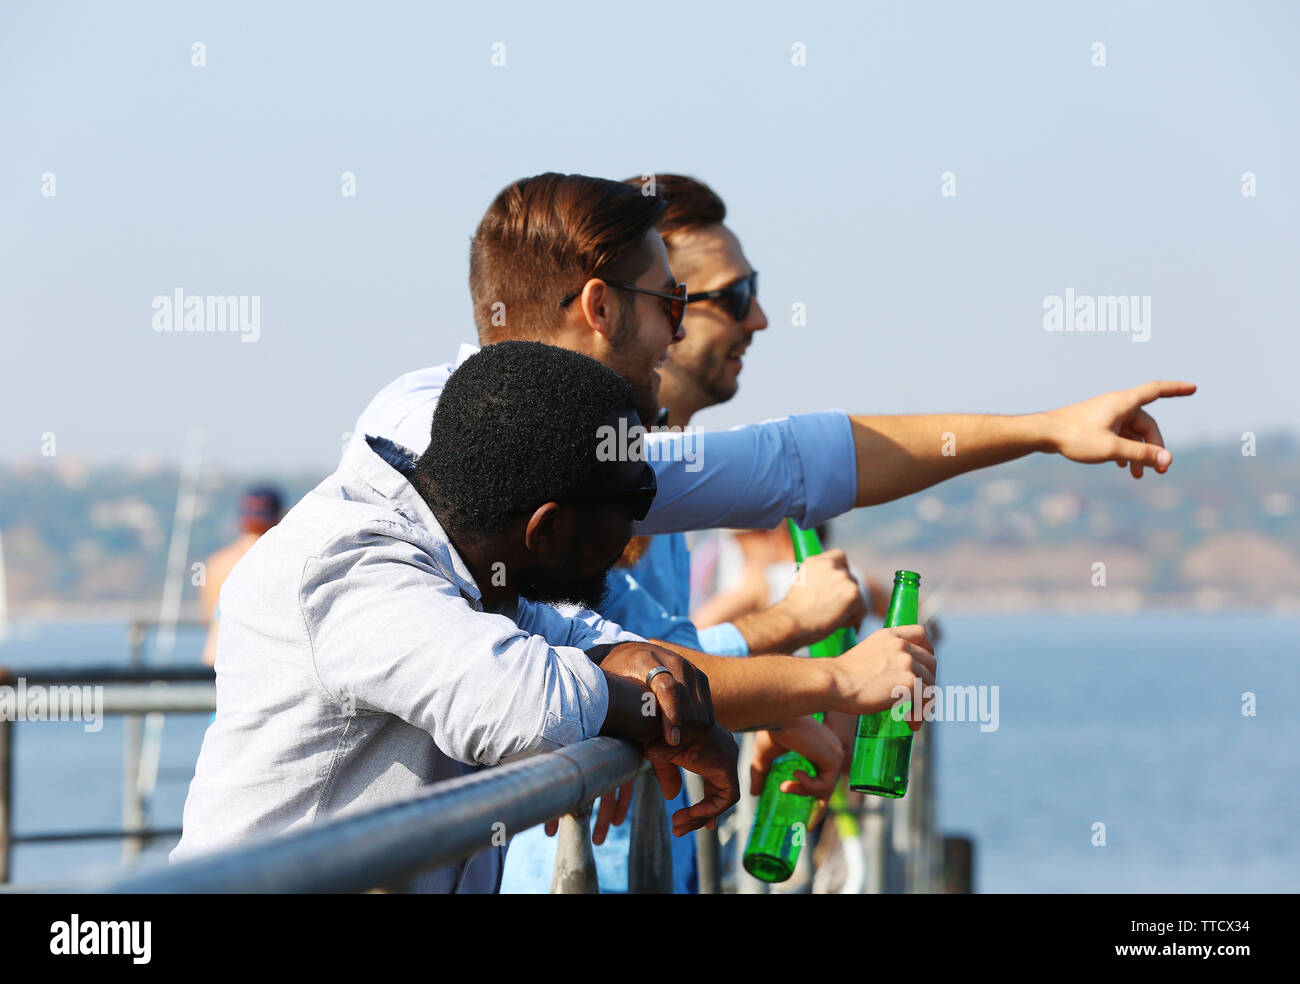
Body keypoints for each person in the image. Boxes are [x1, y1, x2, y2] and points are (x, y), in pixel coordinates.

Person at [172, 342, 744, 893]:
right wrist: (662, 712)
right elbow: (523, 708)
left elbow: (575, 636)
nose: (634, 534)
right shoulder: (350, 564)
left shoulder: (471, 563)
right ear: (545, 530)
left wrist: (641, 672)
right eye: (634, 502)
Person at [199, 486, 283, 668]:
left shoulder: (217, 562)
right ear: (279, 515)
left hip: (217, 656)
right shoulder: (285, 558)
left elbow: (207, 617)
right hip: (263, 662)